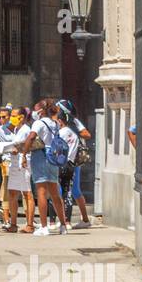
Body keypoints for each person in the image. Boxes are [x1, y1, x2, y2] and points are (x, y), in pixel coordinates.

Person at [23, 99, 70, 236]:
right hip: (53, 157)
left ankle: (44, 227)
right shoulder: (55, 123)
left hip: (41, 157)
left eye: (35, 109)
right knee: (55, 193)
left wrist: (24, 153)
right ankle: (63, 225)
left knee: (41, 192)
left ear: (41, 111)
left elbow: (31, 137)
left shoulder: (38, 123)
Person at [57, 99, 93, 228]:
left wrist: (72, 131)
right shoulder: (58, 121)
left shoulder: (74, 122)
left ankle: (72, 220)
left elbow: (86, 134)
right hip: (64, 161)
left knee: (73, 191)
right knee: (70, 190)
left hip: (72, 161)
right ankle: (81, 219)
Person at [4, 106, 35, 233]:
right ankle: (13, 224)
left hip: (24, 163)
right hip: (14, 163)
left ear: (21, 117)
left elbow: (25, 145)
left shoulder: (26, 129)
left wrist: (21, 153)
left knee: (27, 193)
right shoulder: (17, 129)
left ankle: (30, 224)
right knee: (12, 193)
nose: (12, 118)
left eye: (14, 115)